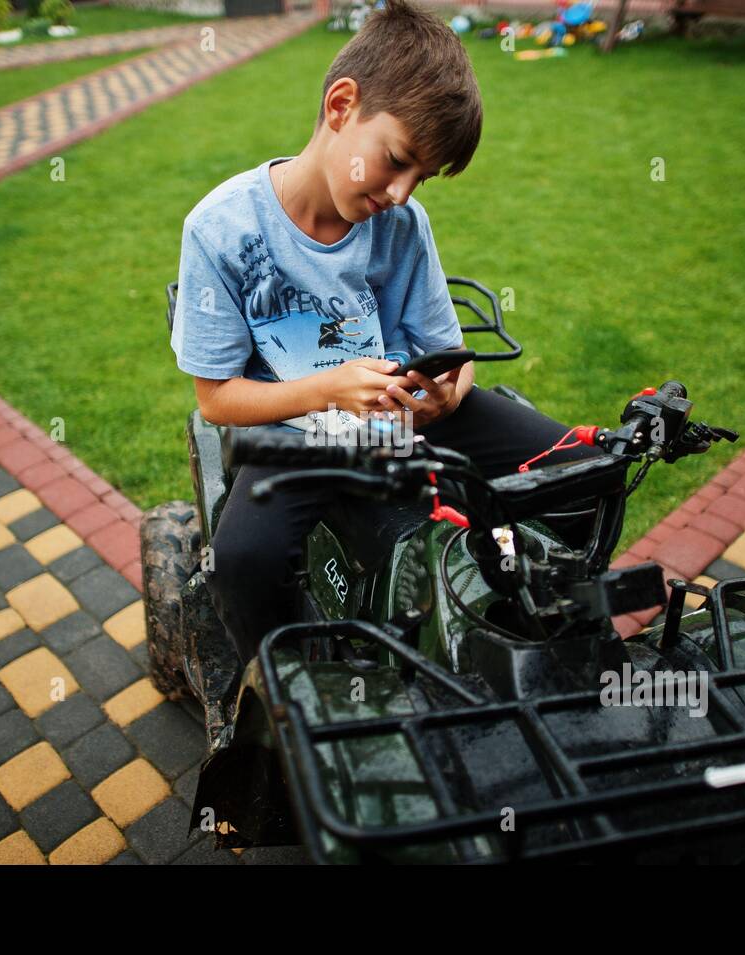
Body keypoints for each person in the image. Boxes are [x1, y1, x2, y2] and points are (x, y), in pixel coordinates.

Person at [170, 0, 602, 664]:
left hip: (405, 419)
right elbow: (217, 399)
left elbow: (448, 354)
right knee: (243, 558)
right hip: (297, 434)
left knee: (581, 473)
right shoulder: (222, 229)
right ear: (342, 107)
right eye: (397, 160)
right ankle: (291, 684)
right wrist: (329, 391)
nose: (402, 193)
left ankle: (533, 629)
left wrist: (448, 393)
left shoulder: (404, 225)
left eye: (421, 177)